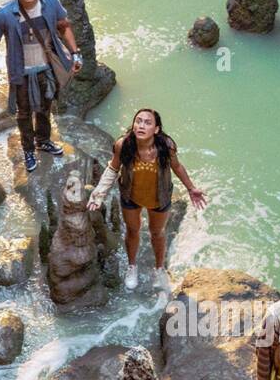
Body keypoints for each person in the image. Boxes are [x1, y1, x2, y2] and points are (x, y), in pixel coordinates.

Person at [87, 107, 206, 291]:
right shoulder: (123, 144)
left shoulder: (166, 146)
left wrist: (191, 188)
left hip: (159, 197)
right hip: (131, 196)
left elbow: (177, 166)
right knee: (133, 231)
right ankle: (132, 266)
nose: (141, 125)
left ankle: (159, 269)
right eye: (138, 121)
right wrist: (99, 193)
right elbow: (113, 169)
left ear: (156, 129)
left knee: (157, 233)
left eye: (147, 122)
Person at [0, 0, 83, 171]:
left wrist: (75, 53)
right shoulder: (5, 13)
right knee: (24, 112)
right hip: (21, 71)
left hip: (47, 68)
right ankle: (28, 150)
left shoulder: (50, 3)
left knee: (46, 106)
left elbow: (64, 26)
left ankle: (43, 140)